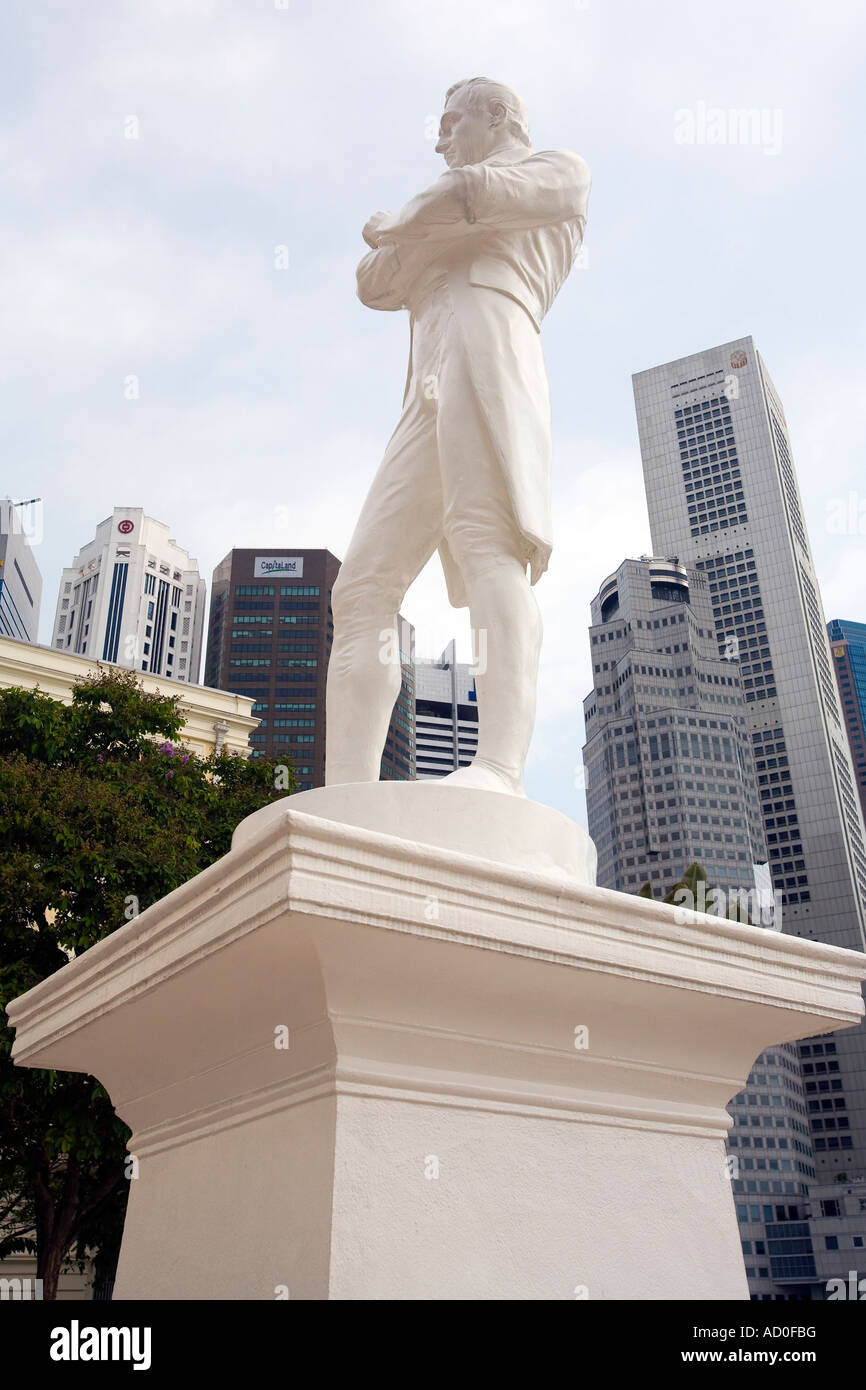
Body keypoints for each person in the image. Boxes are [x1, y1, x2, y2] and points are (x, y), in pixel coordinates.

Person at [326, 77, 590, 795]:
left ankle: (499, 767)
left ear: (496, 115)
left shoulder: (558, 170)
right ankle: (346, 797)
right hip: (425, 388)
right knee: (361, 589)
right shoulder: (449, 204)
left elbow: (466, 195)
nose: (439, 140)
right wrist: (426, 224)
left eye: (451, 123)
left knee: (488, 546)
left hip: (489, 354)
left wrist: (405, 223)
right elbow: (373, 282)